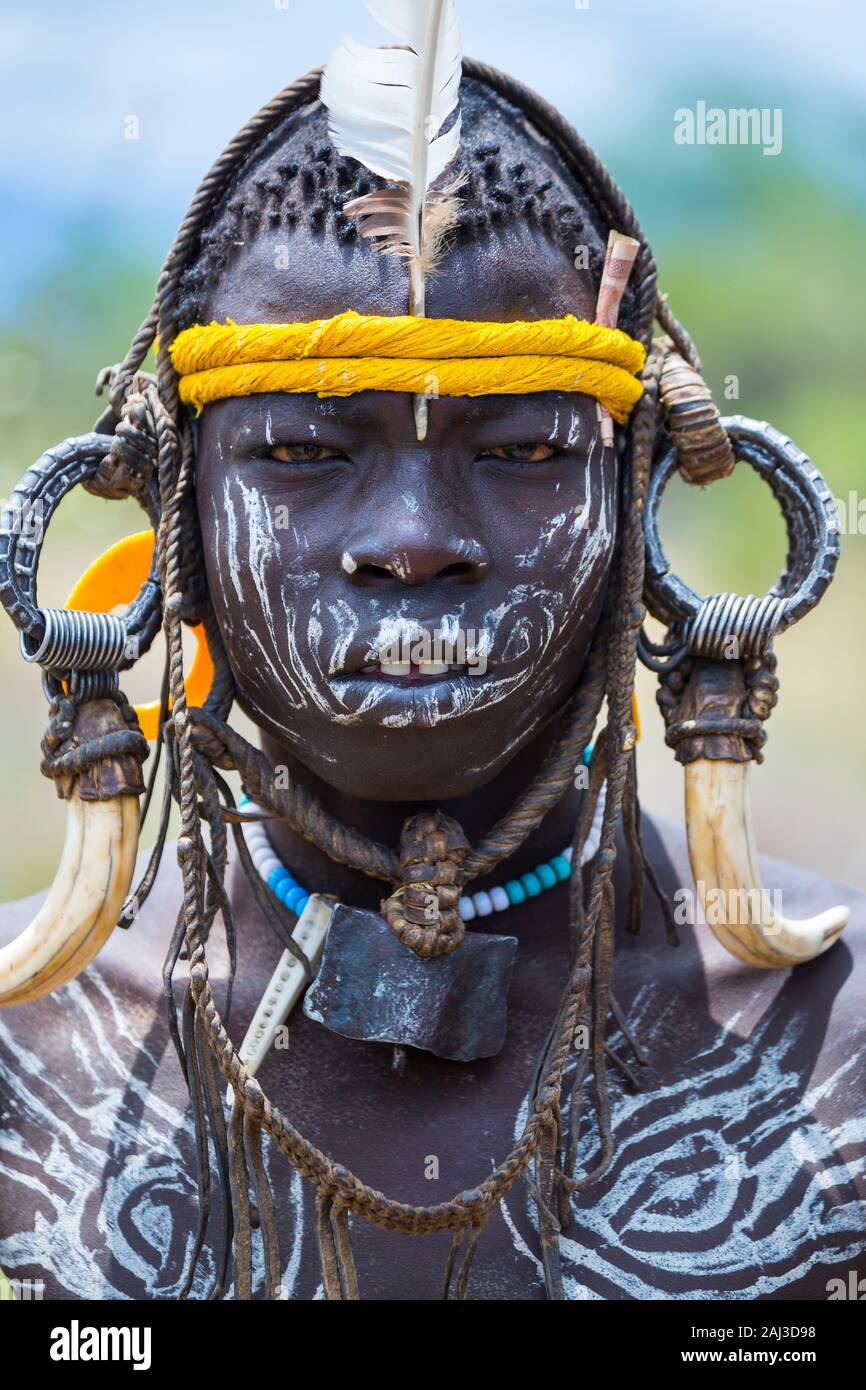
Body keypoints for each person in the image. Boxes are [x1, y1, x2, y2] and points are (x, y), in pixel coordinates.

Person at [0, 51, 863, 1302]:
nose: (412, 539)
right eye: (299, 447)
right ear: (174, 508)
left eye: (518, 447)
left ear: (637, 504)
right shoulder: (31, 1052)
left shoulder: (835, 1046)